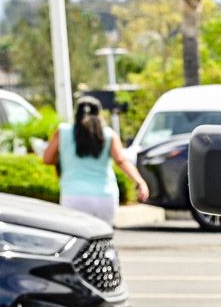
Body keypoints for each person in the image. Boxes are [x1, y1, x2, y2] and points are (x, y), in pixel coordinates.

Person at [41, 96, 149, 224]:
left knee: (78, 241)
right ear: (99, 114)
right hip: (105, 196)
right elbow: (121, 160)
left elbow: (47, 159)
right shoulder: (109, 134)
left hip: (74, 196)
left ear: (76, 113)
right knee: (103, 241)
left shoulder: (63, 131)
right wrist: (140, 182)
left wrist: (62, 158)